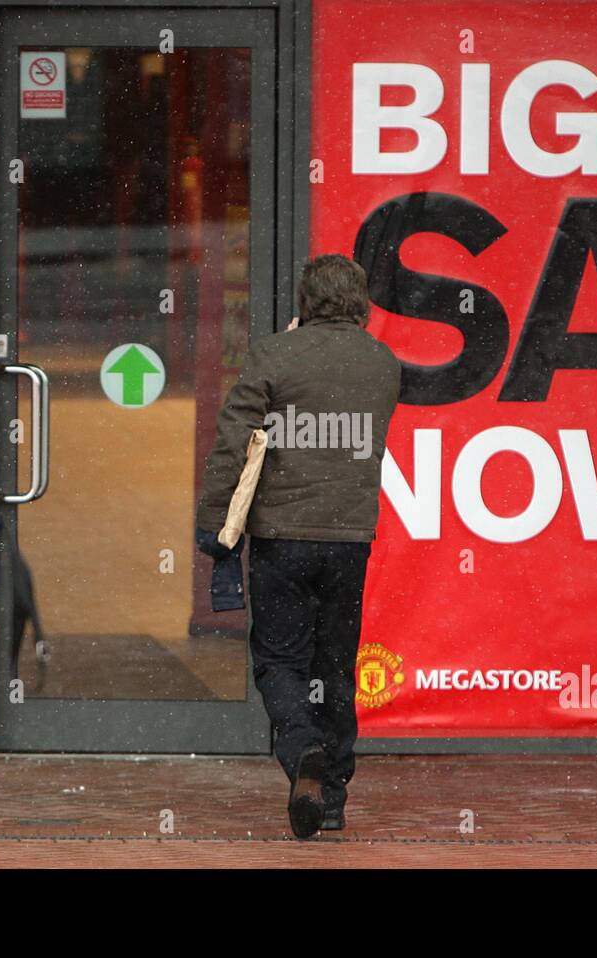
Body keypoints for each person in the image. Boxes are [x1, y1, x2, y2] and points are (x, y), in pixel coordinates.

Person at [196, 254, 401, 838]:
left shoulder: (272, 354)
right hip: (349, 538)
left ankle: (305, 749)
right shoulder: (383, 363)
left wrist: (214, 523)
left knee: (279, 660)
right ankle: (331, 796)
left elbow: (234, 441)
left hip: (283, 537)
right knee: (334, 665)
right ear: (360, 303)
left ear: (304, 302)